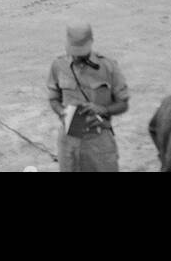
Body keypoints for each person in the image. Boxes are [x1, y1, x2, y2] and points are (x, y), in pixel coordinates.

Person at [45, 22, 129, 172]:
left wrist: (102, 109)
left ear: (90, 44)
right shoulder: (58, 65)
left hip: (98, 141)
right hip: (69, 140)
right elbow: (53, 98)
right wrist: (62, 112)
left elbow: (123, 104)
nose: (77, 56)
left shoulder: (108, 66)